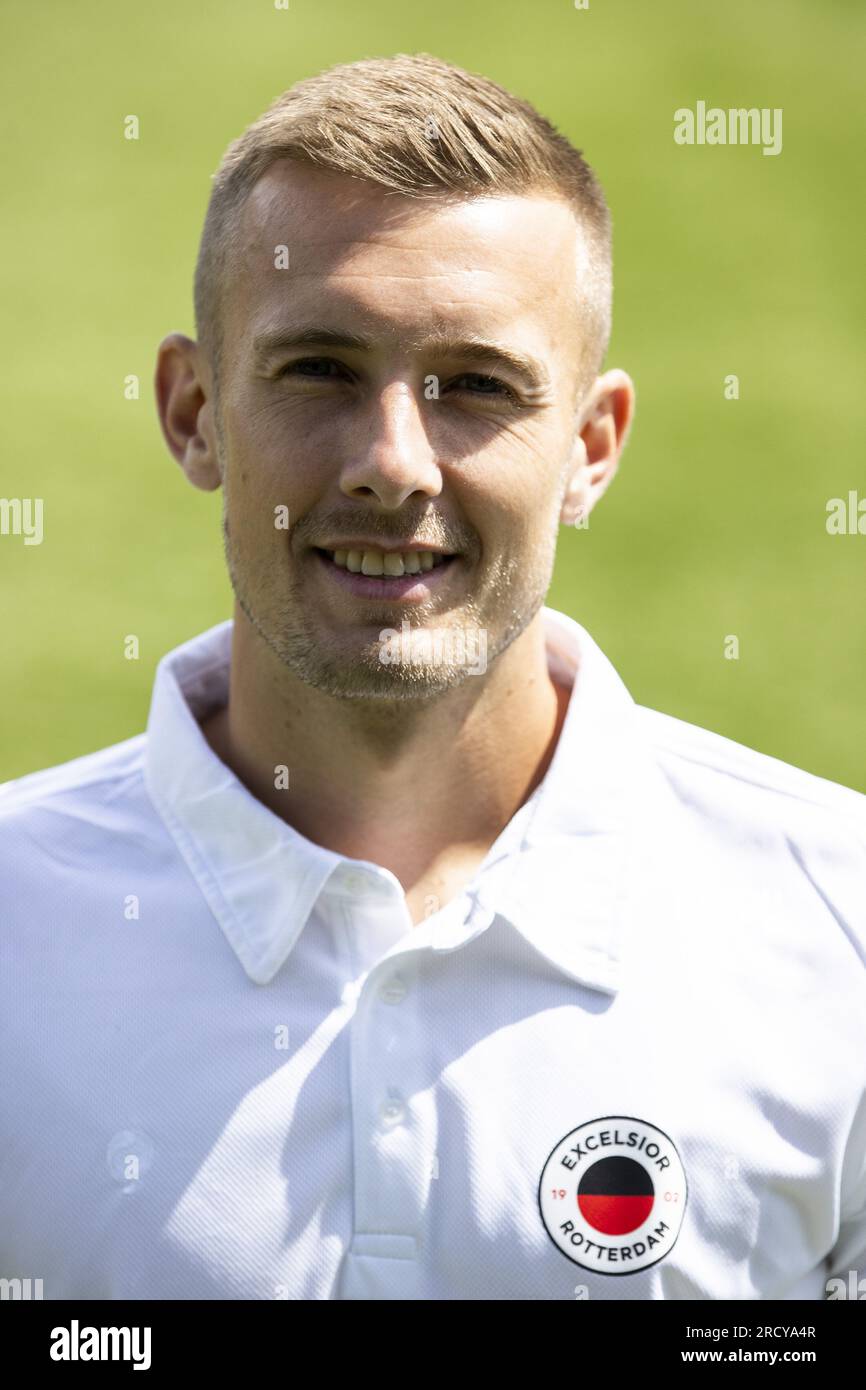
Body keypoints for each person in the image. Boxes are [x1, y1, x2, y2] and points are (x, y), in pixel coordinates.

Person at [1, 54, 864, 1302]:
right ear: (193, 412)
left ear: (589, 446)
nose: (392, 464)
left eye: (473, 388)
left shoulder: (835, 928)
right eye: (317, 371)